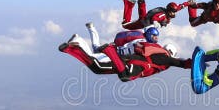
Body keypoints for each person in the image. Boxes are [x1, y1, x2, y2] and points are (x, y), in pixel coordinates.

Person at [59, 37, 189, 82]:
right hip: (136, 64)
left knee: (98, 68)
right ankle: (109, 50)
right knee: (125, 76)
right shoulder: (165, 57)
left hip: (127, 60)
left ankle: (71, 48)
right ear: (171, 53)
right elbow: (179, 62)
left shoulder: (157, 50)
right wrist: (192, 63)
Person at [83, 23, 159, 58]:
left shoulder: (141, 35)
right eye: (154, 36)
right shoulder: (142, 41)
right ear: (149, 35)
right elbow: (134, 46)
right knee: (95, 52)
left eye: (157, 36)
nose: (156, 38)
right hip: (115, 51)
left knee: (97, 50)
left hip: (115, 48)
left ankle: (91, 28)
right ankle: (82, 40)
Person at [121, 0, 188, 30]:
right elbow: (154, 18)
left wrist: (188, 3)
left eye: (174, 12)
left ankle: (139, 1)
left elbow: (180, 7)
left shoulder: (170, 11)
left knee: (142, 16)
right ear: (169, 11)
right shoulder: (163, 15)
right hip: (143, 24)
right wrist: (157, 25)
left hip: (145, 21)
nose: (174, 14)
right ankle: (129, 3)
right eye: (173, 12)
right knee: (125, 25)